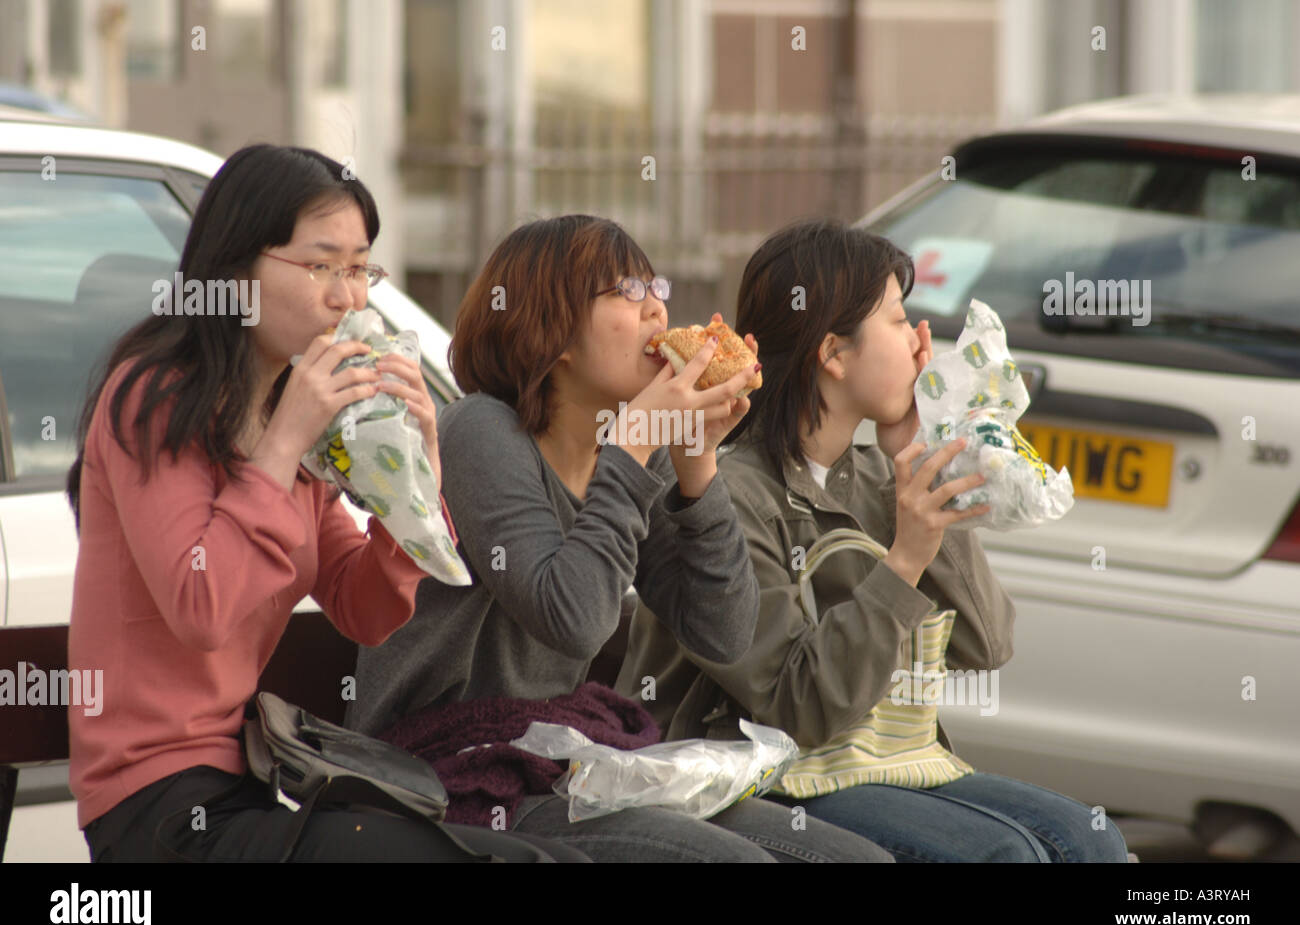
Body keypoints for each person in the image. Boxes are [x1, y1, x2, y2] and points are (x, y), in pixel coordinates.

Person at [65, 144, 585, 862]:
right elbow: (201, 606)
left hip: (251, 784)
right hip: (154, 808)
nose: (351, 297)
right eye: (322, 266)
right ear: (239, 266)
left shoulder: (302, 417)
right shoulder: (155, 399)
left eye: (361, 267)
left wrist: (418, 474)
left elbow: (363, 608)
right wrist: (283, 444)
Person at [346, 214, 893, 862]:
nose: (656, 307)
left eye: (655, 287)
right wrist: (634, 445)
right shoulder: (480, 433)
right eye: (626, 292)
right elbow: (573, 617)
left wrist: (697, 468)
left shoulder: (636, 450)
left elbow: (723, 630)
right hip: (441, 769)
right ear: (552, 328)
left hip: (551, 759)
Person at [618, 220, 1130, 862]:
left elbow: (987, 644)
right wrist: (906, 557)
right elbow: (794, 707)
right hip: (759, 771)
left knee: (1091, 838)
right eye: (898, 318)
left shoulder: (875, 476)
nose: (921, 343)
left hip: (885, 760)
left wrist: (920, 465)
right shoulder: (733, 491)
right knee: (1003, 856)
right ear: (833, 353)